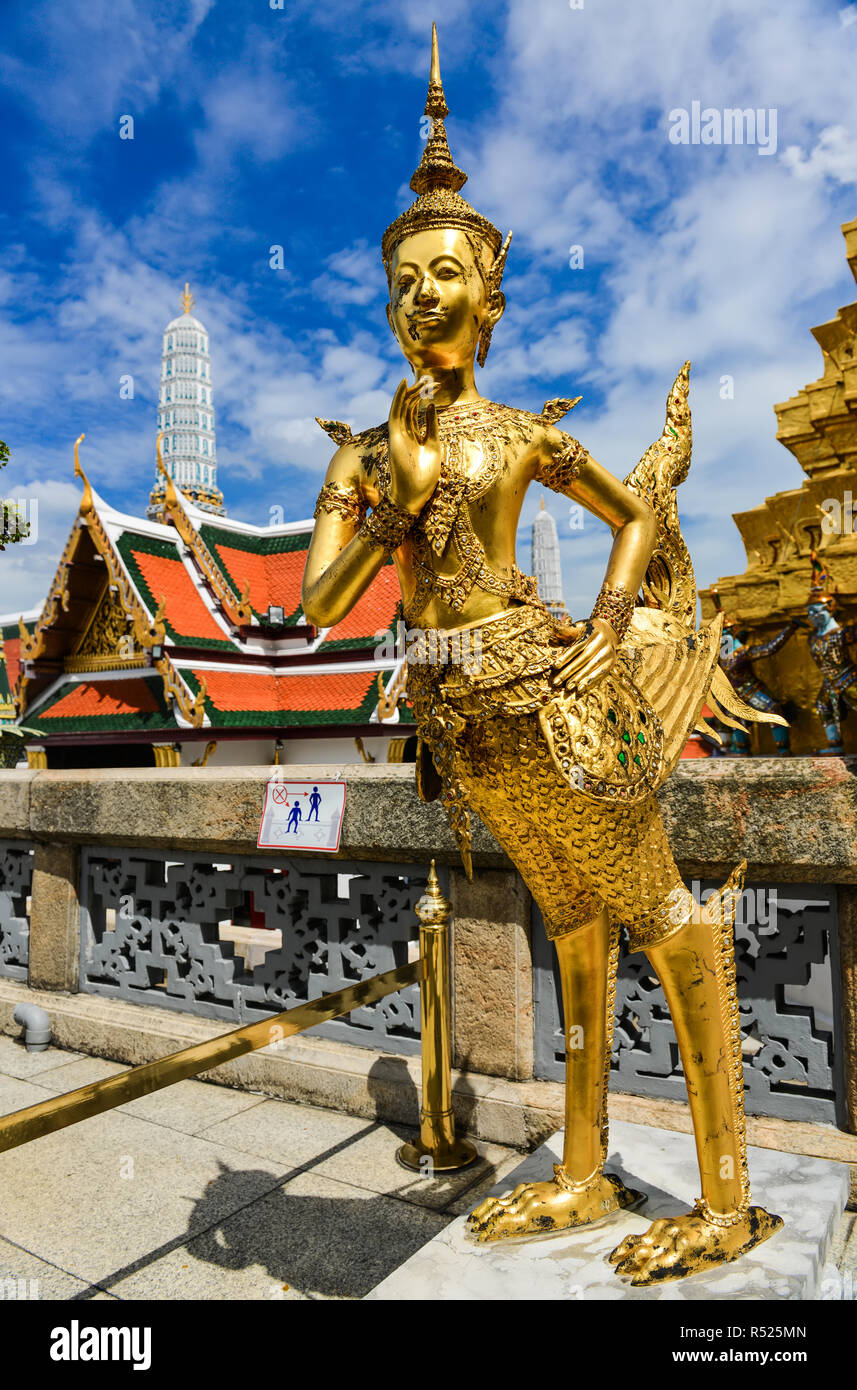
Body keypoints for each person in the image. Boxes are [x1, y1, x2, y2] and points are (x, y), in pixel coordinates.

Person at [301, 27, 783, 1284]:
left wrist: (609, 631)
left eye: (446, 271)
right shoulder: (362, 455)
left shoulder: (517, 436)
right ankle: (580, 1166)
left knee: (667, 927)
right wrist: (396, 498)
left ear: (490, 293)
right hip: (462, 725)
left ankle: (726, 1200)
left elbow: (631, 521)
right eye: (404, 274)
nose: (422, 293)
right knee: (571, 926)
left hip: (558, 708)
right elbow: (318, 606)